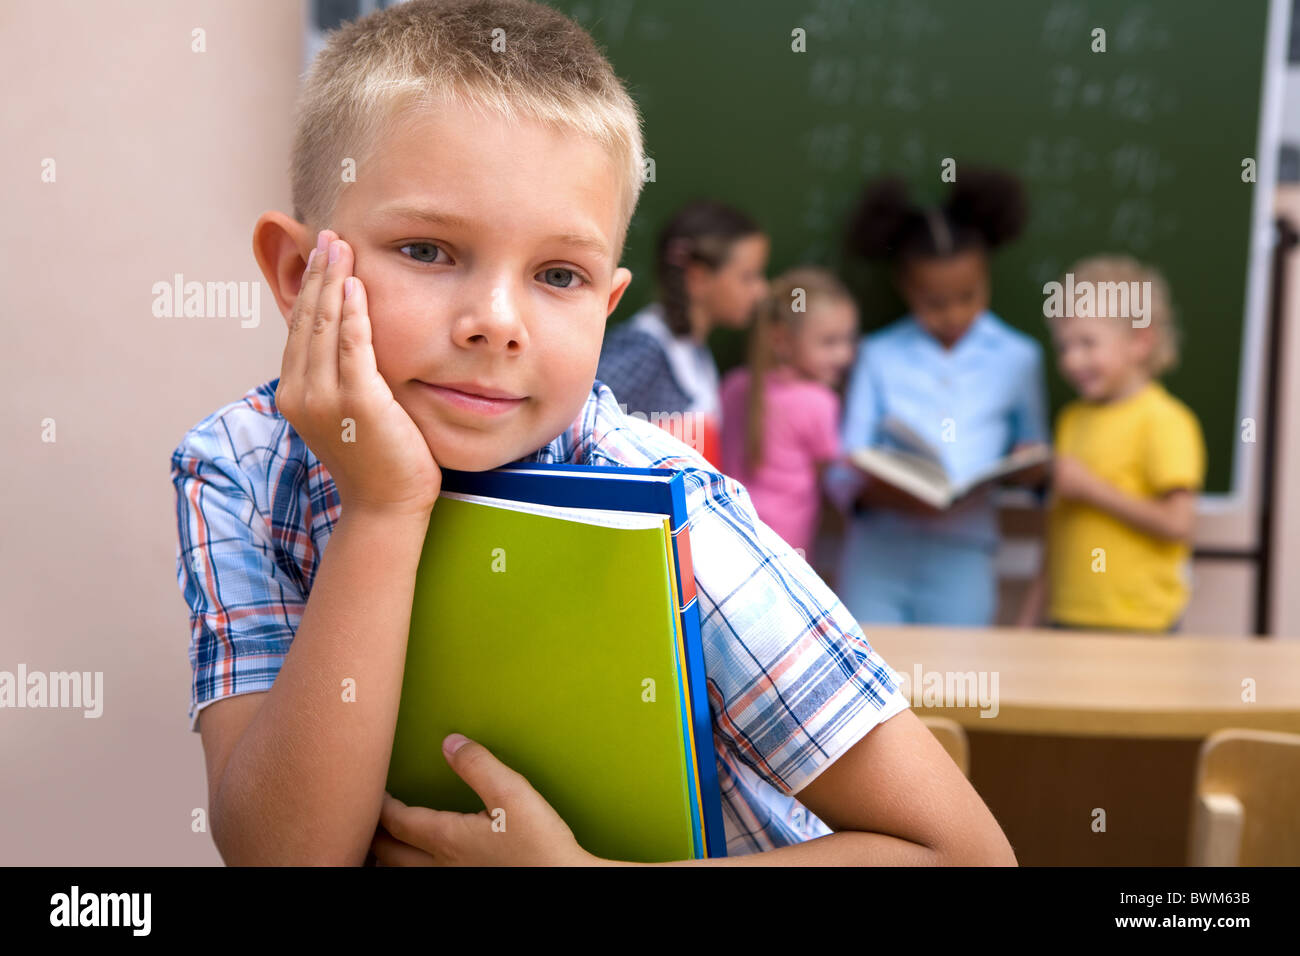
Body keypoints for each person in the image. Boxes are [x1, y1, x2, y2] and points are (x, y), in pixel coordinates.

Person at [170, 0, 1014, 865]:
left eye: (558, 274)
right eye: (427, 250)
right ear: (296, 270)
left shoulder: (660, 504)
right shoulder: (238, 468)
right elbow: (284, 857)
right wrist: (382, 512)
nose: (496, 323)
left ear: (606, 310)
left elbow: (969, 857)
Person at [824, 170, 1050, 626]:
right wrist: (884, 493)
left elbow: (1035, 453)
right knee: (871, 677)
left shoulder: (1018, 357)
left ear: (988, 278)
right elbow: (841, 463)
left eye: (968, 296)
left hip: (964, 549)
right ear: (905, 289)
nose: (953, 315)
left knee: (956, 682)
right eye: (933, 302)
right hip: (878, 550)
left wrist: (1030, 467)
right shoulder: (878, 354)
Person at [1017, 255, 1205, 632]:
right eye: (1064, 347)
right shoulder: (1072, 420)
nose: (1071, 360)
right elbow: (1057, 532)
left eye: (1087, 343)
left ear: (1140, 341)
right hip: (1065, 617)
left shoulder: (1164, 421)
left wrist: (1092, 489)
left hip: (1139, 624)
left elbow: (1177, 523)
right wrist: (1028, 619)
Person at [596, 200, 769, 468]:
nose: (761, 291)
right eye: (748, 277)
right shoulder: (645, 349)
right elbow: (581, 422)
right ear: (698, 277)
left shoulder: (694, 349)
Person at [720, 266, 857, 565]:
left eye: (848, 340)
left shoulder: (733, 385)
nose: (844, 355)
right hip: (786, 548)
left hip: (727, 532)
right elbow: (830, 476)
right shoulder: (819, 402)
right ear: (781, 340)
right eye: (830, 342)